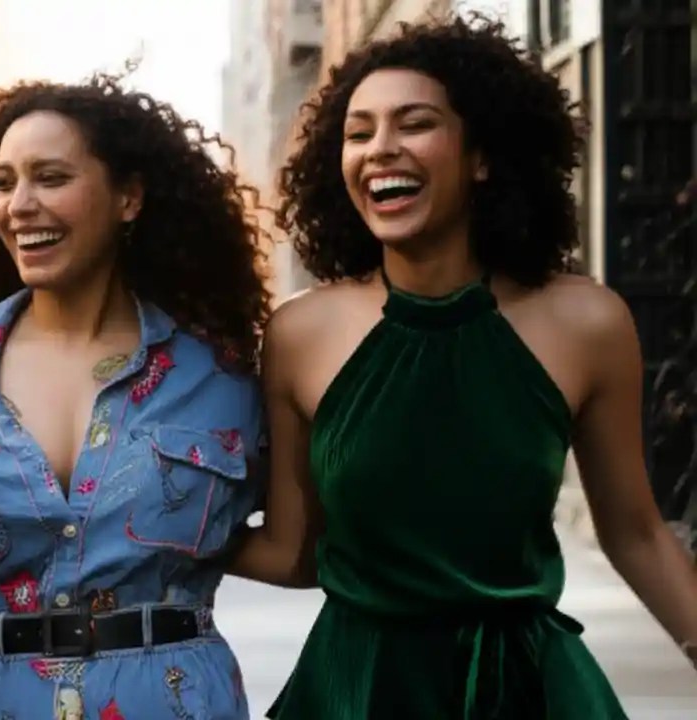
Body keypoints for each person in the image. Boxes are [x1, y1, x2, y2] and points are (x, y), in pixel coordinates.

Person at [231, 16, 697, 719]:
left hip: (527, 691)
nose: (380, 149)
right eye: (359, 134)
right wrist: (144, 535)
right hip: (358, 690)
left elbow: (635, 531)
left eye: (413, 124)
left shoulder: (587, 324)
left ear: (482, 156)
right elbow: (294, 552)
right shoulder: (301, 332)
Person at [0, 72, 272, 719]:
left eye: (50, 178)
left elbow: (293, 550)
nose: (19, 204)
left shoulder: (225, 379)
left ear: (129, 198)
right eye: (4, 184)